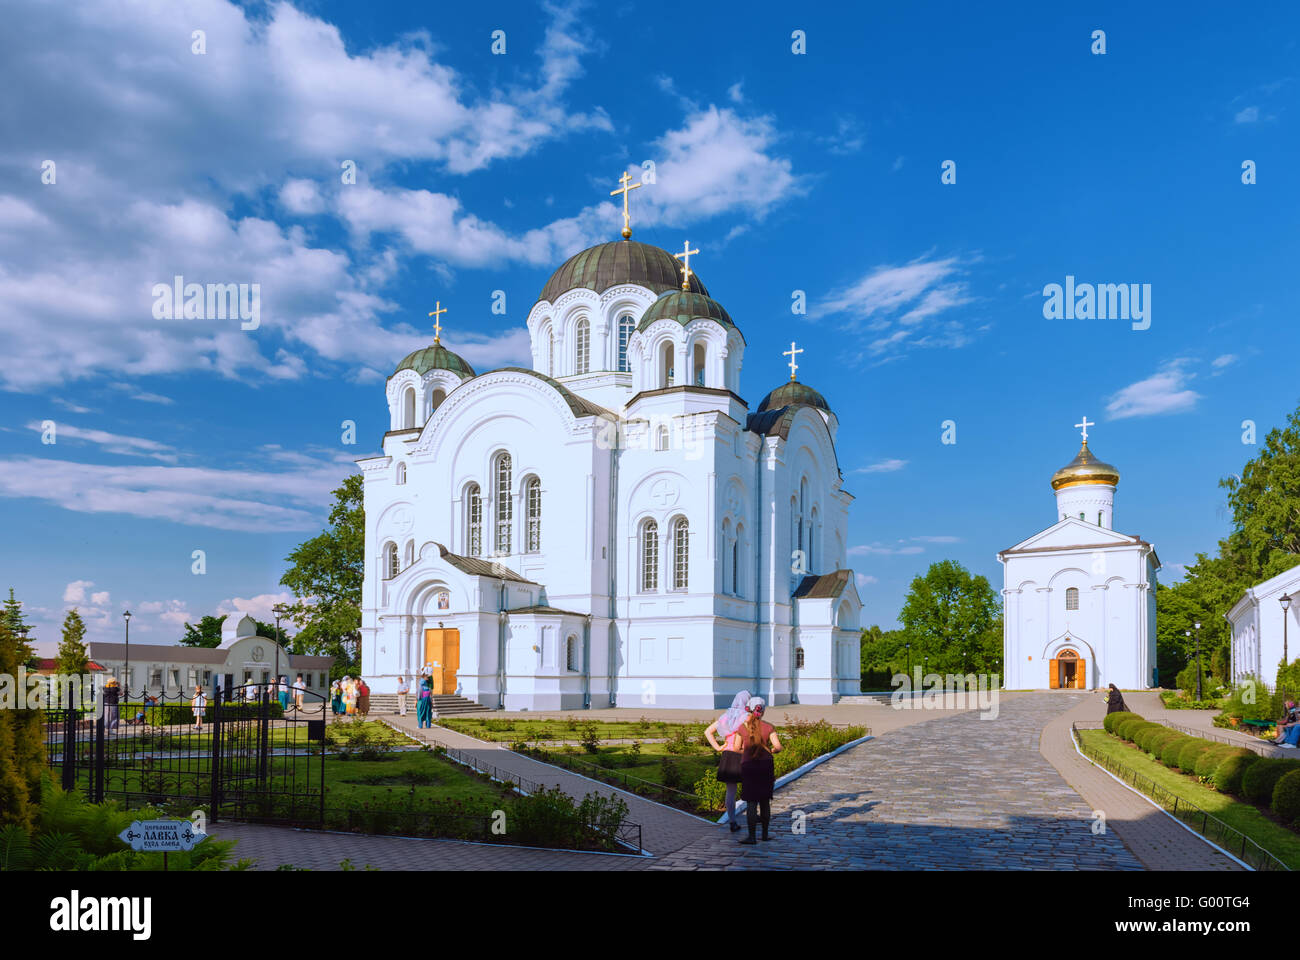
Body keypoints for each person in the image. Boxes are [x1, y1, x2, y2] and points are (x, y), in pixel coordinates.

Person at [705, 690, 751, 832]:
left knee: (730, 791)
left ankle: (732, 821)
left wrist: (718, 747)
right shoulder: (747, 717)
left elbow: (707, 731)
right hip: (743, 754)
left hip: (727, 755)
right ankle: (753, 818)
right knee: (750, 789)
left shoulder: (726, 716)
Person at [737, 696, 781, 845]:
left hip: (749, 766)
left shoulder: (742, 727)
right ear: (762, 711)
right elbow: (778, 747)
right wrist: (772, 750)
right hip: (766, 767)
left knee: (751, 802)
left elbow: (737, 748)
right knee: (764, 801)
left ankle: (751, 837)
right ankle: (765, 835)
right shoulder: (769, 727)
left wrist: (747, 749)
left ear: (748, 709)